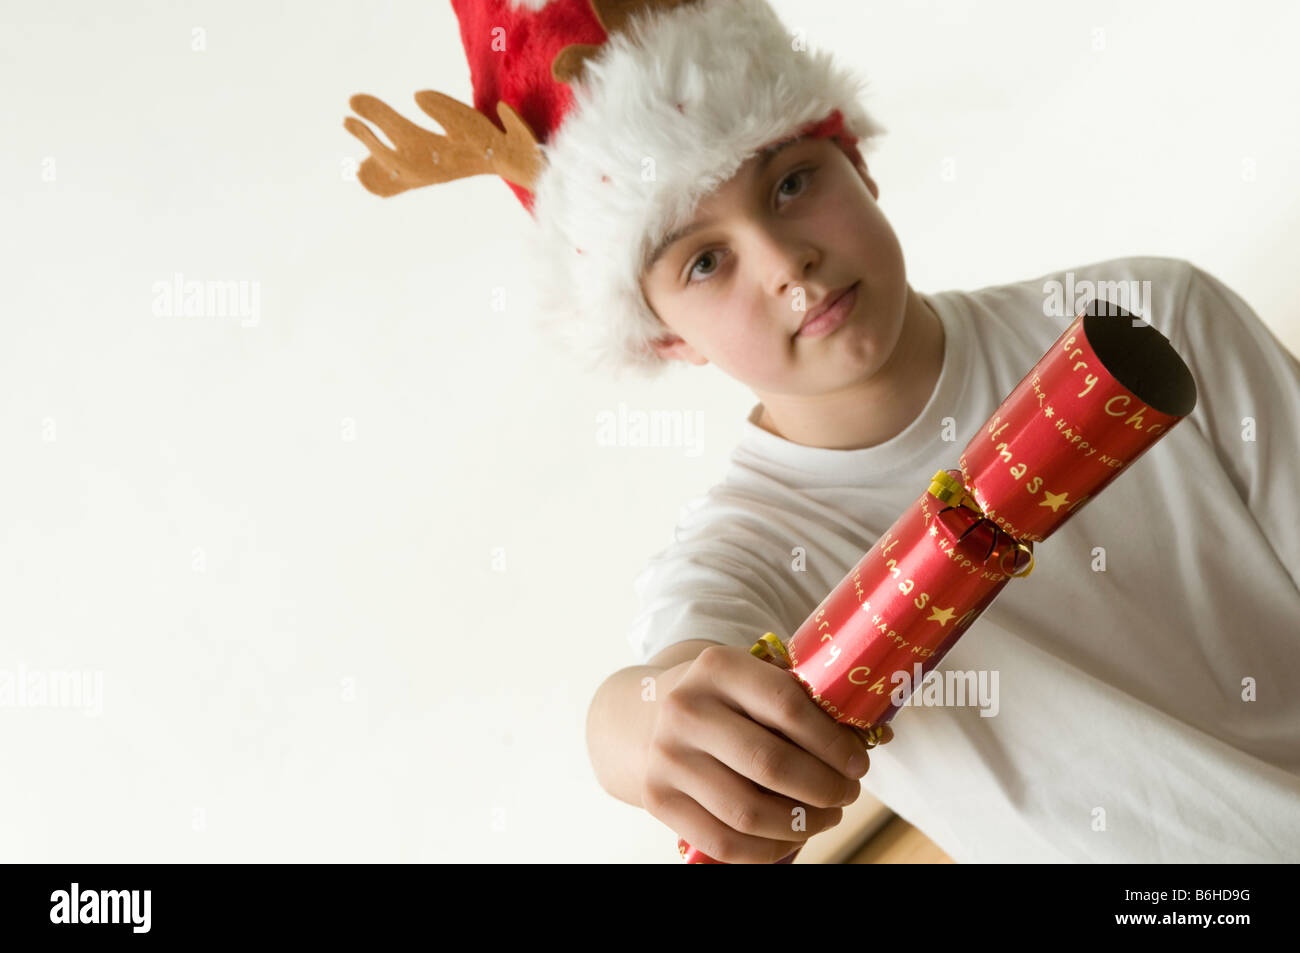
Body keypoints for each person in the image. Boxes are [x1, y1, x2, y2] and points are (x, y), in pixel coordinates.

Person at [347, 0, 1300, 863]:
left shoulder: (1154, 312)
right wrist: (635, 728)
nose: (783, 261)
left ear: (859, 162)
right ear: (666, 338)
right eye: (706, 259)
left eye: (792, 182)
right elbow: (661, 687)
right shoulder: (752, 555)